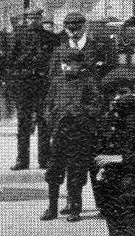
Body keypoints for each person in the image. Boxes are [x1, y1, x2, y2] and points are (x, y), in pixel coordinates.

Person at [92, 69, 135, 236]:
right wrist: (100, 169)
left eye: (122, 92)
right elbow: (99, 152)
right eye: (112, 93)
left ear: (134, 92)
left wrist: (118, 159)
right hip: (112, 191)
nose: (116, 97)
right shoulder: (107, 118)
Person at [41, 46, 101, 222]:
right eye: (63, 63)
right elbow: (47, 105)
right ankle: (52, 208)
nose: (65, 67)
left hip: (79, 134)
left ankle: (75, 208)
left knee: (76, 171)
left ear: (79, 65)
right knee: (54, 170)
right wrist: (52, 118)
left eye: (70, 64)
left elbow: (97, 105)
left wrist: (80, 111)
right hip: (60, 132)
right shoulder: (57, 82)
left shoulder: (87, 82)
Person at [9, 7, 57, 170]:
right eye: (30, 18)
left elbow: (55, 61)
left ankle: (44, 158)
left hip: (43, 83)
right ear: (26, 19)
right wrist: (16, 78)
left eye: (36, 18)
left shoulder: (50, 37)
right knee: (23, 123)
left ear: (41, 19)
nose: (33, 21)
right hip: (24, 83)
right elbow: (11, 60)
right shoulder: (19, 36)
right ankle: (22, 159)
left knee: (44, 122)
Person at [50, 11, 116, 83]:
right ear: (65, 29)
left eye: (77, 29)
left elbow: (109, 69)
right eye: (71, 29)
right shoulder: (59, 50)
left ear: (84, 27)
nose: (74, 33)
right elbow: (53, 74)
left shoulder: (97, 47)